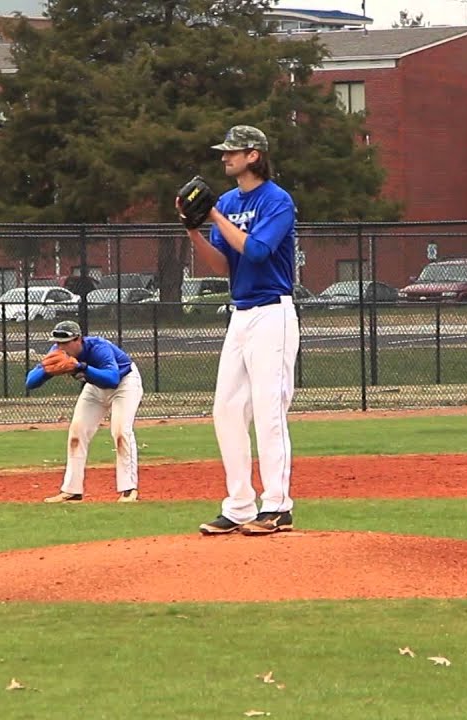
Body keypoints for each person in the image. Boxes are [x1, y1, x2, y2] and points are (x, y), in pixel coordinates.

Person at [179, 125, 300, 536]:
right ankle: (239, 505)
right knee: (227, 409)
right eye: (224, 151)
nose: (224, 157)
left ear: (254, 156)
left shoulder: (277, 200)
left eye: (233, 151)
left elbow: (259, 251)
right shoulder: (228, 202)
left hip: (273, 313)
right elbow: (223, 265)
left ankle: (278, 506)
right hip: (241, 313)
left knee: (269, 410)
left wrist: (213, 215)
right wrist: (193, 229)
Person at [26, 320, 143, 503]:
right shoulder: (57, 352)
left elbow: (112, 379)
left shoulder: (99, 347)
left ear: (78, 339)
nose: (61, 347)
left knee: (121, 432)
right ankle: (72, 491)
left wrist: (81, 367)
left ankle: (129, 490)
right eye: (58, 343)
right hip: (94, 388)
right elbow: (30, 382)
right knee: (77, 432)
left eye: (66, 342)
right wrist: (46, 371)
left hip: (125, 384)